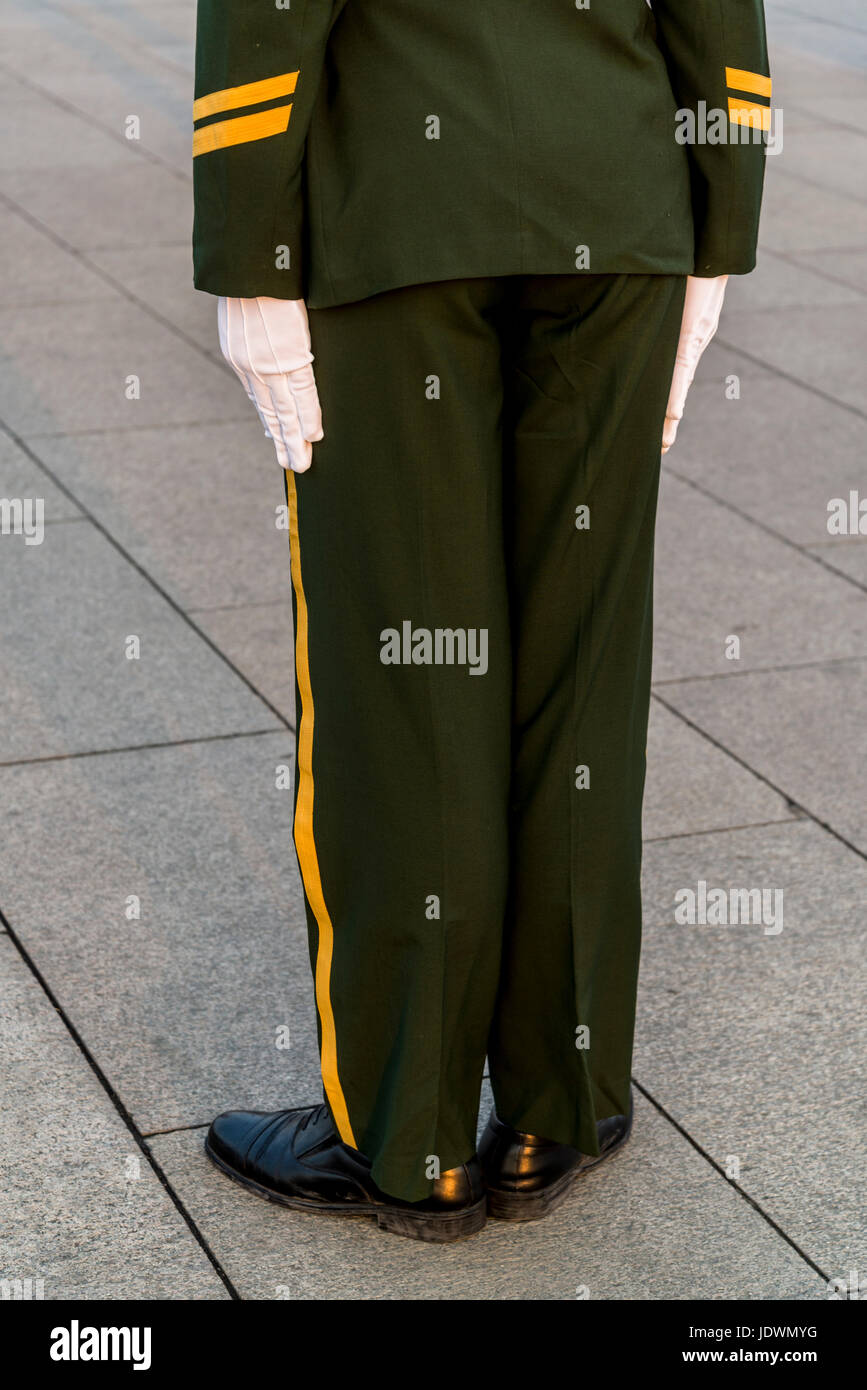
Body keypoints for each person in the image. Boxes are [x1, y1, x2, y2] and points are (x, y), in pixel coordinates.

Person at [192, 0, 771, 1242]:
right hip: (617, 200)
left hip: (400, 198)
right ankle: (557, 1102)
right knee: (583, 665)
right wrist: (721, 211)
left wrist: (251, 247)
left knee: (406, 674)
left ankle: (414, 1134)